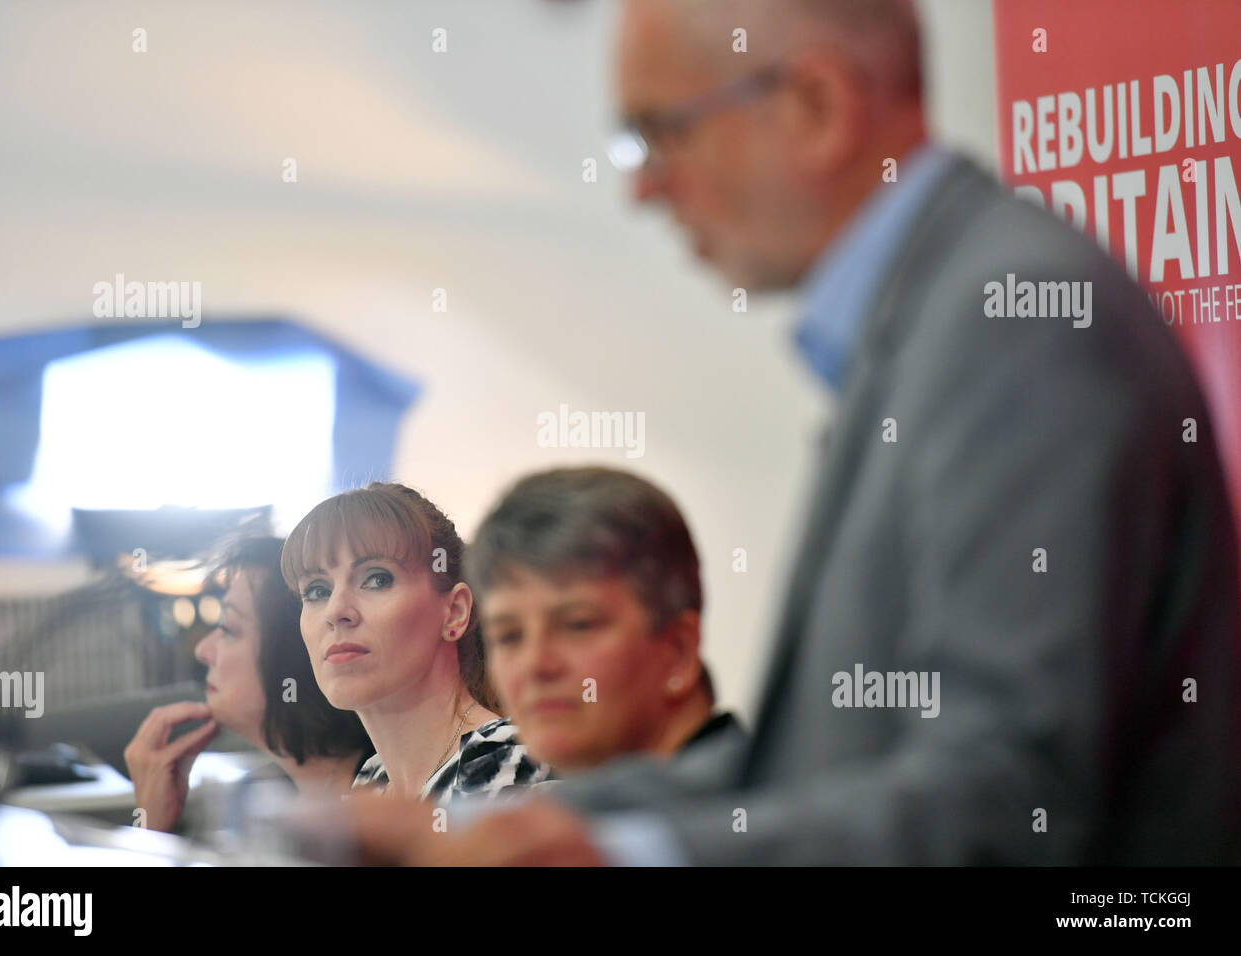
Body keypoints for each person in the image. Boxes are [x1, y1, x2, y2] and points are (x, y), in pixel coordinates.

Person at [332, 0, 1240, 866]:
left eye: (660, 132)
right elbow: (814, 772)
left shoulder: (1013, 322)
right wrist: (502, 826)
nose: (644, 187)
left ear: (817, 104)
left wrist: (627, 853)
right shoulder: (930, 321)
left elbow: (1007, 791)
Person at [279, 481, 552, 802]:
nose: (336, 611)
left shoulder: (512, 765)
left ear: (454, 612)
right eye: (317, 591)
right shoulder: (372, 783)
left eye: (377, 579)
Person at [468, 466, 742, 774]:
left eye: (578, 625)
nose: (536, 665)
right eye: (509, 636)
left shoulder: (772, 809)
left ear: (679, 650)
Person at [124, 537, 372, 834]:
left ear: (296, 653)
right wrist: (153, 825)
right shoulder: (267, 798)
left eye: (228, 628)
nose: (203, 650)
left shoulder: (378, 815)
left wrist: (150, 836)